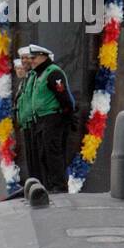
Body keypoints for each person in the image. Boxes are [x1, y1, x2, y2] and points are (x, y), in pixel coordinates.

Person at [27, 45, 76, 193]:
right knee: (43, 154)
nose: (31, 61)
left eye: (34, 58)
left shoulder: (53, 73)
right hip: (42, 120)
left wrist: (65, 118)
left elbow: (64, 98)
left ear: (44, 57)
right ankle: (50, 184)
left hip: (53, 118)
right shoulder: (39, 74)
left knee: (52, 152)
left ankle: (59, 186)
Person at [13, 46, 36, 179]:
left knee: (36, 157)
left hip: (33, 122)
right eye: (21, 59)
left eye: (26, 58)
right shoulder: (24, 82)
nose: (20, 68)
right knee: (30, 158)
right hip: (26, 124)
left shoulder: (32, 78)